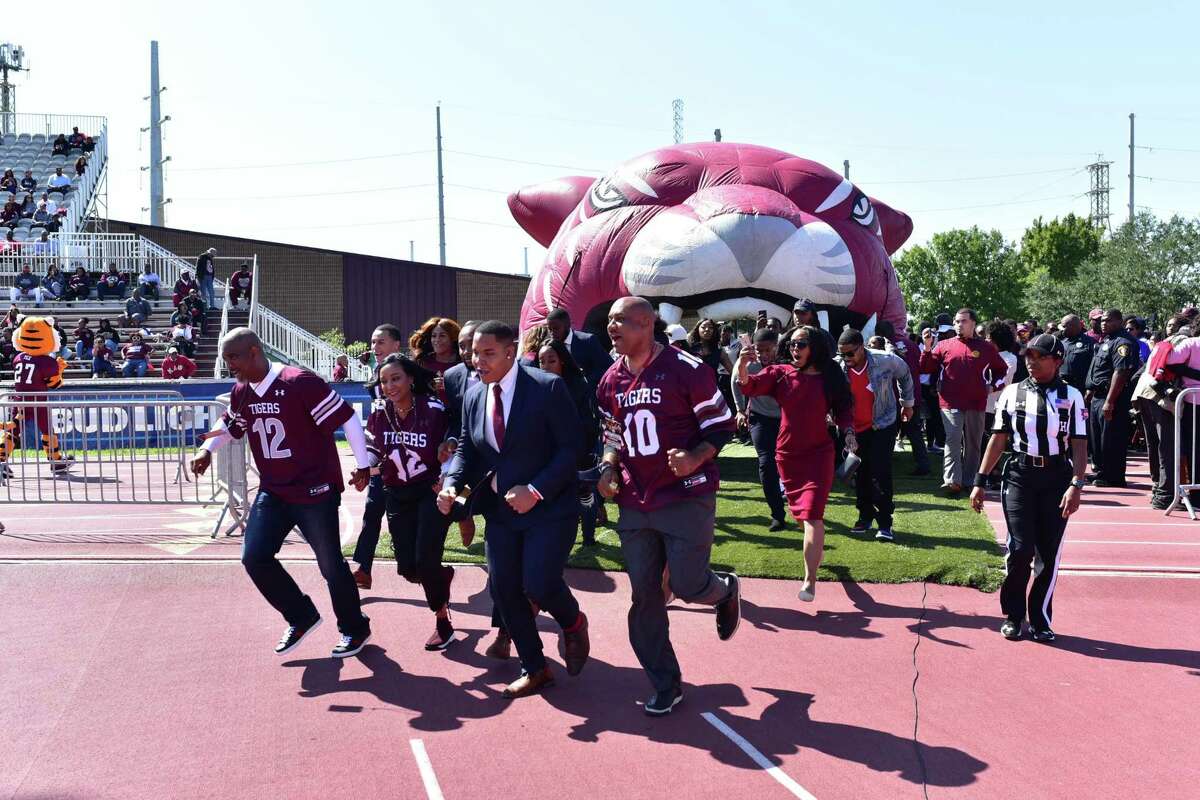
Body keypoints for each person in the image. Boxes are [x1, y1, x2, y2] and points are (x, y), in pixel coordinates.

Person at [597, 297, 741, 716]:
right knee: (645, 595)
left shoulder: (687, 369)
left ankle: (724, 591)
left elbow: (721, 425)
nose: (613, 327)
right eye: (610, 321)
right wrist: (607, 468)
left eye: (621, 320)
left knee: (687, 584)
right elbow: (611, 434)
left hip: (685, 494)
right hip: (635, 499)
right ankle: (665, 682)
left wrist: (696, 457)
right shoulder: (610, 380)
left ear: (646, 324)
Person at [191, 328, 374, 658]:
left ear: (254, 352)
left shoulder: (298, 381)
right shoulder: (242, 391)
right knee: (254, 557)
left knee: (331, 565)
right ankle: (301, 616)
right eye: (225, 358)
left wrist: (363, 465)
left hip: (314, 490)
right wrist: (206, 450)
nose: (228, 364)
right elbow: (230, 428)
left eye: (233, 357)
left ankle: (354, 628)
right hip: (274, 490)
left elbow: (347, 419)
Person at [438, 321, 589, 699]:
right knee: (504, 590)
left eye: (488, 353)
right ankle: (535, 667)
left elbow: (572, 449)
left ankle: (573, 623)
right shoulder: (474, 395)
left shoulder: (546, 387)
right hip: (500, 511)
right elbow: (467, 451)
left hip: (550, 508)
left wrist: (536, 490)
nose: (478, 360)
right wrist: (452, 484)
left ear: (510, 352)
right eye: (474, 353)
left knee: (538, 583)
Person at [971, 334, 1088, 643]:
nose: (1031, 362)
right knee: (1021, 549)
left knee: (1047, 554)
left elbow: (1079, 445)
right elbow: (998, 438)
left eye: (1040, 356)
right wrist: (980, 481)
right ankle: (1013, 614)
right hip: (1020, 475)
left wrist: (1076, 484)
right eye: (1028, 356)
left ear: (1057, 360)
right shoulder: (1012, 393)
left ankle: (1040, 618)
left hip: (1057, 479)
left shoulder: (1073, 396)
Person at [740, 324, 855, 602]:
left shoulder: (830, 375)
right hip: (788, 455)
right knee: (802, 517)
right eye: (791, 344)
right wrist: (743, 365)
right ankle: (814, 559)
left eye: (800, 344)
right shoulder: (781, 374)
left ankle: (809, 580)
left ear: (814, 347)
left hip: (819, 454)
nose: (794, 349)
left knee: (813, 516)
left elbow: (844, 408)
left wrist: (848, 432)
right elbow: (750, 386)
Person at [367, 354, 458, 650]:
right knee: (408, 568)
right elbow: (372, 450)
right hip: (396, 493)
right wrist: (362, 468)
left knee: (425, 559)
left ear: (410, 379)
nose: (389, 386)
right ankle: (443, 577)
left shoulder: (433, 410)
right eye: (384, 381)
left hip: (428, 491)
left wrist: (446, 475)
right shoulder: (380, 412)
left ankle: (443, 620)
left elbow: (453, 445)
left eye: (395, 378)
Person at [920, 308, 1010, 495]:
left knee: (973, 443)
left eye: (963, 321)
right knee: (952, 439)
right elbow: (926, 367)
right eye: (956, 321)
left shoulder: (986, 348)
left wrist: (994, 386)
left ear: (973, 324)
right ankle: (952, 480)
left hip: (976, 402)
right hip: (949, 402)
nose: (959, 325)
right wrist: (927, 347)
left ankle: (969, 480)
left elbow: (1002, 370)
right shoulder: (944, 345)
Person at [837, 329, 915, 542]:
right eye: (842, 354)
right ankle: (864, 516)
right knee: (859, 472)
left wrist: (907, 404)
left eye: (850, 354)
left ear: (862, 348)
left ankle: (885, 523)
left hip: (883, 423)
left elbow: (906, 374)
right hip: (854, 429)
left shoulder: (885, 360)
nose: (846, 359)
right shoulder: (838, 367)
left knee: (880, 472)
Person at [351, 324, 406, 590]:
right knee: (372, 512)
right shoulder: (376, 374)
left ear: (397, 344)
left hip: (410, 461)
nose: (375, 348)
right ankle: (363, 568)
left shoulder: (409, 373)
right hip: (383, 457)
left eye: (381, 342)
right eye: (373, 343)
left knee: (408, 521)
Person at [537, 338, 601, 546]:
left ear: (562, 361)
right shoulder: (534, 387)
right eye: (541, 361)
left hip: (579, 451)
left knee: (584, 495)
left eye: (551, 360)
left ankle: (589, 537)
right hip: (549, 453)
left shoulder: (577, 385)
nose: (545, 366)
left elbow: (588, 423)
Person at [731, 328, 788, 531]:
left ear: (777, 347)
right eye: (759, 350)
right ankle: (777, 514)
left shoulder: (788, 360)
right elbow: (735, 381)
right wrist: (739, 409)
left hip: (786, 419)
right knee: (766, 463)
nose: (764, 354)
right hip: (760, 418)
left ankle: (797, 502)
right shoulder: (749, 362)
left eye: (768, 350)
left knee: (789, 463)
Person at [1135, 315, 1190, 509]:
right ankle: (1166, 494)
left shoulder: (1166, 342)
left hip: (1144, 392)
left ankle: (1159, 488)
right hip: (1160, 397)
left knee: (1156, 444)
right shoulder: (1185, 341)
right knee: (1167, 445)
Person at [1084, 308, 1141, 488]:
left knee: (1111, 438)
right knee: (1098, 438)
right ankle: (1101, 472)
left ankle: (1113, 476)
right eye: (1102, 321)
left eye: (1108, 320)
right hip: (1098, 396)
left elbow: (1121, 372)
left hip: (1113, 397)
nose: (1103, 323)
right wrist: (1091, 389)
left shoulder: (1123, 342)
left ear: (1119, 321)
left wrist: (1110, 401)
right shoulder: (1106, 340)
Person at [877, 319, 930, 476]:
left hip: (892, 396)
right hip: (913, 395)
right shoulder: (912, 345)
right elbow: (919, 367)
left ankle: (884, 464)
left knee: (888, 432)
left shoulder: (883, 348)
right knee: (914, 432)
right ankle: (924, 464)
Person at [545, 307, 613, 389]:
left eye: (556, 328)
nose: (552, 333)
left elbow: (608, 366)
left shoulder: (587, 341)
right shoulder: (552, 346)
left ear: (567, 325)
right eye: (549, 329)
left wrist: (586, 380)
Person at [409, 317, 461, 396]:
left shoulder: (462, 363)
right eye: (434, 336)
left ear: (453, 338)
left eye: (442, 336)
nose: (437, 340)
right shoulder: (423, 362)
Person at [1057, 314, 1095, 392]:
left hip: (1080, 387)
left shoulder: (1090, 343)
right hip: (1062, 386)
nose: (1061, 330)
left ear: (1073, 326)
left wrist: (1090, 389)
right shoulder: (1061, 342)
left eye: (1064, 327)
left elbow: (1095, 367)